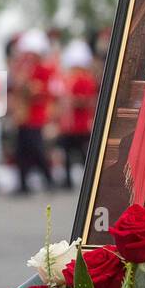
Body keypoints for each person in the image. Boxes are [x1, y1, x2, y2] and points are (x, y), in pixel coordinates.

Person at [10, 29, 54, 194]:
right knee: (21, 150)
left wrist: (28, 85)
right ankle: (22, 184)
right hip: (23, 116)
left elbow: (42, 91)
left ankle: (49, 179)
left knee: (37, 148)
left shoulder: (43, 69)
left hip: (36, 115)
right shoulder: (22, 68)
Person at [56, 39, 98, 189]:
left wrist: (71, 101)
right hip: (69, 125)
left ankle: (91, 179)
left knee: (82, 155)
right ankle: (67, 180)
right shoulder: (69, 79)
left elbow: (86, 101)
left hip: (80, 124)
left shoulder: (85, 80)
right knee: (68, 154)